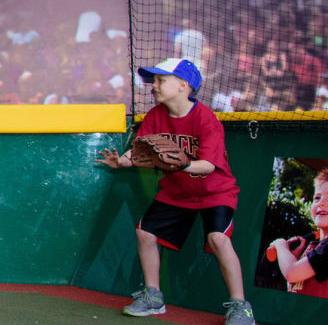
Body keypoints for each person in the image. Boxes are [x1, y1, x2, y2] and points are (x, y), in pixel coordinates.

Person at [96, 58, 253, 323]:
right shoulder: (156, 116)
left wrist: (182, 163)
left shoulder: (206, 119)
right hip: (176, 192)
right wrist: (122, 161)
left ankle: (241, 307)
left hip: (215, 192)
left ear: (183, 85)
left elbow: (208, 166)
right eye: (154, 81)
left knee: (218, 239)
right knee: (145, 233)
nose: (153, 86)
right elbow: (141, 150)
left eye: (160, 80)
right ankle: (153, 296)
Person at [268, 168, 328, 297]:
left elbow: (291, 273)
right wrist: (292, 259)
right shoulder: (315, 247)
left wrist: (281, 245)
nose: (322, 203)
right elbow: (295, 283)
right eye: (317, 197)